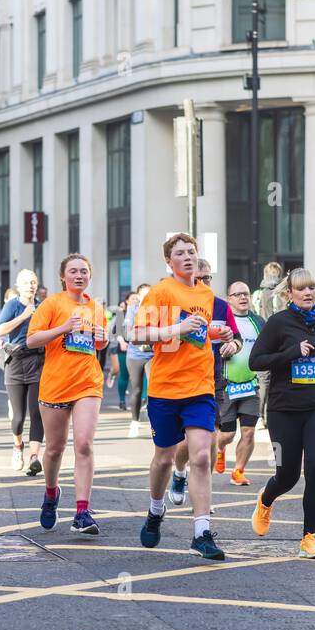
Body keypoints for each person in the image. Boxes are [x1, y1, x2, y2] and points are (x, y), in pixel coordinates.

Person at [132, 233, 237, 562]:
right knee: (164, 459)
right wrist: (174, 330)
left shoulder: (206, 294)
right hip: (165, 388)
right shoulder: (161, 292)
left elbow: (201, 334)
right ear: (169, 261)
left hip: (200, 387)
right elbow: (136, 334)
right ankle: (155, 510)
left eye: (192, 251)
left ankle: (201, 534)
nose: (188, 257)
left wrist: (220, 333)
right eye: (180, 253)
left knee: (202, 456)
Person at [249, 269, 315, 559]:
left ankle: (309, 538)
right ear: (289, 293)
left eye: (311, 288)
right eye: (301, 289)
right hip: (284, 410)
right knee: (287, 474)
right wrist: (292, 352)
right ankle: (266, 499)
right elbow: (256, 361)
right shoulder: (278, 323)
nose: (307, 293)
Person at [26, 253, 109, 534]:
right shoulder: (52, 304)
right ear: (63, 276)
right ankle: (51, 493)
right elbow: (31, 339)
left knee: (83, 444)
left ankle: (82, 512)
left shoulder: (96, 307)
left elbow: (97, 343)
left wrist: (103, 337)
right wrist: (62, 328)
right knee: (54, 448)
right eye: (73, 271)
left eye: (84, 271)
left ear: (90, 275)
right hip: (56, 384)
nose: (79, 275)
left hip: (88, 383)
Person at [171, 259, 240, 502]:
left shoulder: (221, 306)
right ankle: (180, 471)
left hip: (213, 379)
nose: (203, 282)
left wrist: (233, 344)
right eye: (198, 278)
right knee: (185, 443)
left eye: (207, 278)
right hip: (181, 378)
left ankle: (202, 497)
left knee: (211, 439)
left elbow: (237, 338)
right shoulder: (178, 304)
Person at [215, 281, 265, 486]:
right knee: (227, 434)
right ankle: (219, 448)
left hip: (250, 384)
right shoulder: (223, 322)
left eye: (246, 293)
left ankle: (238, 471)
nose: (243, 297)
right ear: (229, 299)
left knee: (249, 432)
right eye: (237, 294)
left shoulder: (258, 321)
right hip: (226, 386)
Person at [0, 269, 44, 474]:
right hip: (15, 361)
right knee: (18, 417)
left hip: (37, 361)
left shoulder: (42, 306)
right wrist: (23, 316)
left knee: (37, 412)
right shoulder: (12, 305)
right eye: (26, 282)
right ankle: (18, 446)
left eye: (33, 282)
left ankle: (34, 457)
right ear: (18, 285)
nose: (30, 286)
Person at [124, 283, 153, 438]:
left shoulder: (157, 311)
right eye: (144, 294)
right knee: (136, 389)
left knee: (154, 387)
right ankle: (134, 422)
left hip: (152, 354)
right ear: (138, 296)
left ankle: (154, 421)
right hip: (135, 355)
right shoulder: (133, 309)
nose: (147, 297)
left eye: (149, 294)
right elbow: (127, 332)